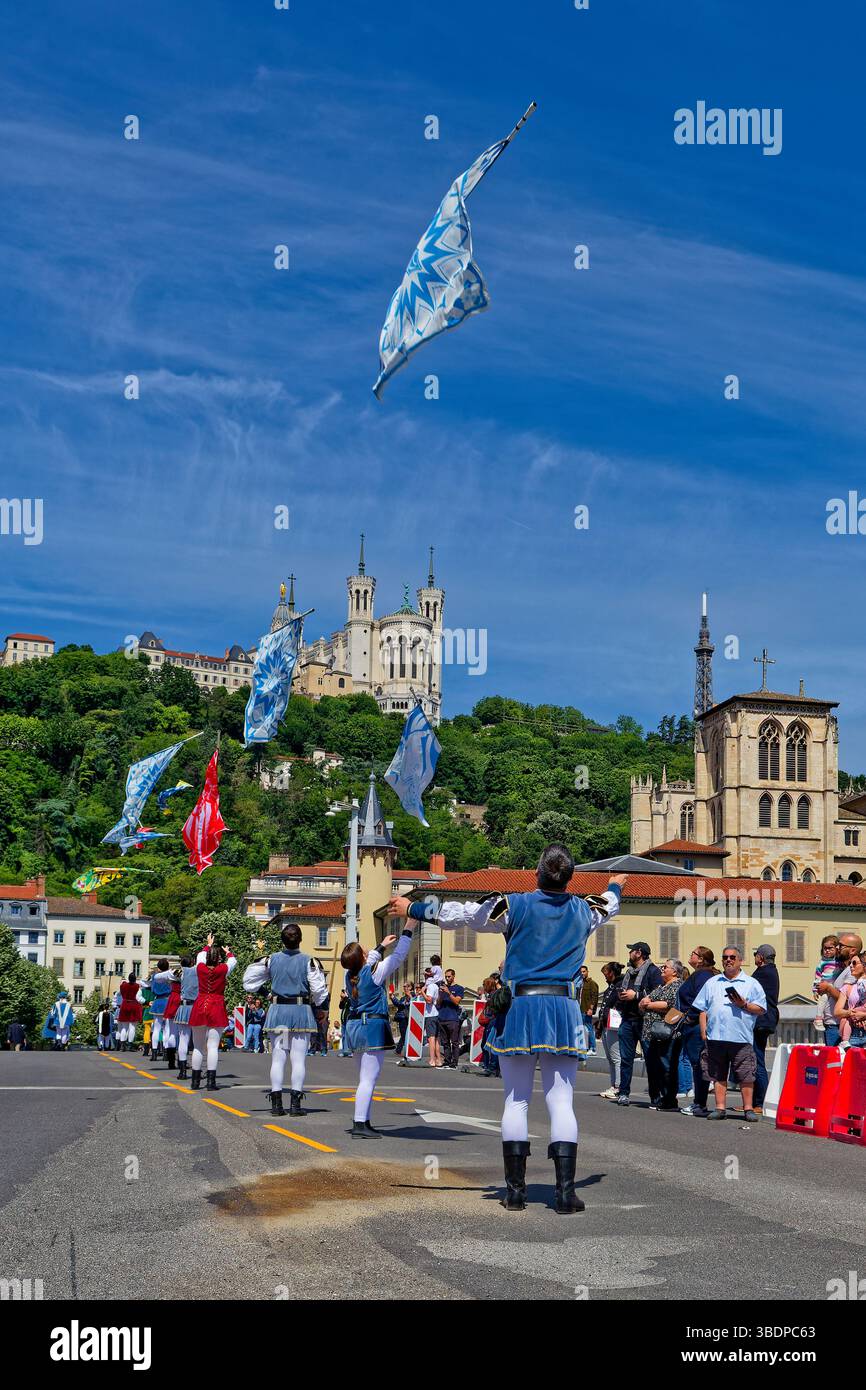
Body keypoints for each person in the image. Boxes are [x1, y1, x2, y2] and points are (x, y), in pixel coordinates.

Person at [389, 844, 625, 1215]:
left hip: (521, 1006)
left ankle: (515, 1192)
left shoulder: (512, 905)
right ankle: (565, 1193)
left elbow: (460, 915)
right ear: (570, 877)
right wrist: (615, 884)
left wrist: (413, 908)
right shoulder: (585, 910)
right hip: (562, 1008)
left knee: (516, 1099)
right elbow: (610, 903)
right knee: (560, 1100)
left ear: (537, 871)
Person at [340, 923, 420, 1136]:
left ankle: (364, 1121)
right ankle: (359, 1124)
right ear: (363, 957)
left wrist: (381, 946)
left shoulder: (350, 976)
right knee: (368, 1079)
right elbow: (399, 956)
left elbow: (372, 959)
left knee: (364, 1078)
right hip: (371, 1026)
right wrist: (408, 930)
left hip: (355, 1025)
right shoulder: (373, 973)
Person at [243, 919, 328, 1117]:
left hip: (278, 1011)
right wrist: (318, 1007)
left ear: (282, 940)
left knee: (278, 1059)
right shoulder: (309, 961)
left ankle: (276, 1104)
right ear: (301, 939)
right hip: (300, 1012)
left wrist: (267, 994)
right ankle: (295, 1105)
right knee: (298, 1060)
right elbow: (319, 991)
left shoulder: (270, 959)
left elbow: (248, 982)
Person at [691, 946, 766, 1121]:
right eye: (725, 957)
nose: (728, 960)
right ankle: (720, 1108)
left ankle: (748, 1108)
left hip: (741, 1037)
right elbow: (702, 1008)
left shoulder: (751, 983)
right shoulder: (713, 982)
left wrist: (744, 1005)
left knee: (746, 1075)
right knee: (717, 1073)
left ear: (740, 960)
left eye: (732, 957)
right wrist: (703, 1031)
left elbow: (762, 1009)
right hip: (716, 1036)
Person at [613, 942, 662, 1107]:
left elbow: (658, 992)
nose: (629, 953)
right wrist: (622, 996)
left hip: (645, 1021)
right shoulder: (629, 972)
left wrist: (636, 995)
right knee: (626, 1059)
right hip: (627, 1019)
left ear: (639, 953)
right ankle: (624, 1093)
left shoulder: (653, 971)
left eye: (631, 951)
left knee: (651, 1059)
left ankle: (656, 1096)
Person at [188, 933, 237, 1091]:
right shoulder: (223, 969)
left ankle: (195, 1082)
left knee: (197, 1047)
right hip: (216, 1005)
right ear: (218, 959)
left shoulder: (200, 968)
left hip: (200, 1004)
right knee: (213, 1046)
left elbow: (200, 956)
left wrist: (208, 945)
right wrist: (228, 951)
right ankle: (211, 1082)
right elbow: (233, 961)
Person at [672, 947, 717, 1116]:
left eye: (693, 953)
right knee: (696, 1063)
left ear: (701, 959)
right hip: (691, 1024)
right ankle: (699, 1102)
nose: (690, 955)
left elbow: (701, 1000)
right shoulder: (699, 974)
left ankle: (700, 1103)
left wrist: (690, 1017)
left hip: (695, 1025)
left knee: (699, 1064)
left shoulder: (703, 975)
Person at [639, 959, 684, 1109]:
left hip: (665, 1033)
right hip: (651, 1033)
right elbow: (647, 998)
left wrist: (649, 1004)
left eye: (665, 967)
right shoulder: (662, 985)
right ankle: (658, 1098)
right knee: (654, 1066)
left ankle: (669, 1099)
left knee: (666, 1066)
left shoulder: (677, 985)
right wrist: (646, 1002)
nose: (662, 969)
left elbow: (670, 1005)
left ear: (675, 972)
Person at [816, 932, 864, 1046]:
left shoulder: (854, 972)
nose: (837, 948)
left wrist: (828, 987)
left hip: (837, 1025)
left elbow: (849, 998)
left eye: (841, 946)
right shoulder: (845, 968)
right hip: (832, 1022)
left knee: (835, 1061)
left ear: (852, 950)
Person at [751, 944, 780, 1111]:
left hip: (761, 1021)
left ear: (761, 957)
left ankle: (760, 1102)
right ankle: (754, 1100)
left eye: (756, 954)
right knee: (755, 1058)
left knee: (757, 1060)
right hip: (766, 1020)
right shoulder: (771, 971)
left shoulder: (764, 972)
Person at [596, 961, 624, 1098]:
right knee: (610, 1058)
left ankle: (618, 1086)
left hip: (614, 1025)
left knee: (616, 1057)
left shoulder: (620, 986)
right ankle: (613, 1085)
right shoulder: (611, 986)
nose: (605, 977)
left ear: (612, 973)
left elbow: (619, 1003)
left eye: (606, 974)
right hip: (606, 1025)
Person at [171, 955, 199, 1080]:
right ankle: (196, 1070)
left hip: (183, 1007)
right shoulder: (198, 970)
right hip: (195, 1007)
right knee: (198, 1042)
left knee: (183, 1040)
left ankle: (182, 1072)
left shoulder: (181, 972)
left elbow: (170, 975)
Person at [834, 951, 866, 1046]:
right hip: (853, 1035)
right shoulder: (847, 988)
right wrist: (851, 1013)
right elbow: (837, 1012)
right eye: (850, 963)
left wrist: (863, 1015)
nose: (851, 966)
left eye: (854, 963)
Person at [437, 969, 465, 1069]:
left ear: (453, 976)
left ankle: (454, 1061)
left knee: (454, 1042)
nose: (447, 978)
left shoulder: (459, 988)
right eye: (446, 977)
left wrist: (449, 993)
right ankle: (447, 1060)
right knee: (445, 1042)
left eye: (449, 976)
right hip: (442, 1018)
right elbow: (438, 1003)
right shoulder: (443, 988)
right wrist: (440, 994)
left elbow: (457, 1002)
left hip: (453, 1018)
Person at [145, 959, 173, 1059]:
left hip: (157, 1002)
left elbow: (152, 990)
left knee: (156, 1029)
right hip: (167, 1001)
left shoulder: (154, 977)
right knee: (167, 1029)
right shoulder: (170, 976)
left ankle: (154, 1053)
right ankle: (166, 1052)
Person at [812, 935, 839, 1037]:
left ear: (836, 949)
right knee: (823, 1000)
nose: (827, 951)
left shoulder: (839, 961)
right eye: (825, 948)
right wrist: (815, 990)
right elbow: (817, 977)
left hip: (835, 987)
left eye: (830, 948)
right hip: (824, 986)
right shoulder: (822, 963)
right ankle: (818, 1018)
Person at [423, 968, 442, 1067]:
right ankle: (438, 1060)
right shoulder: (436, 986)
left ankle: (432, 1060)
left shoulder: (430, 986)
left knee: (431, 1038)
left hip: (430, 1015)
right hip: (437, 1014)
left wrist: (422, 992)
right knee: (436, 1039)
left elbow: (429, 1000)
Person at [579, 966, 599, 1055]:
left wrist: (591, 1009)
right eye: (581, 972)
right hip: (580, 1009)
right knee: (583, 1029)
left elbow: (594, 997)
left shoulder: (592, 983)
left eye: (584, 971)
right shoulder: (580, 983)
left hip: (587, 1010)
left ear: (587, 971)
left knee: (589, 1028)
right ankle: (586, 1047)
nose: (582, 973)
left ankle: (593, 1048)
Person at [392, 983, 412, 1053]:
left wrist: (393, 997)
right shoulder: (403, 998)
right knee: (403, 1034)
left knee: (407, 1035)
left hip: (410, 1017)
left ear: (410, 987)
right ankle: (399, 1050)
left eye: (406, 986)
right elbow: (399, 1004)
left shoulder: (413, 996)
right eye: (403, 986)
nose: (404, 988)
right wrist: (392, 997)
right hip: (403, 1018)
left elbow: (414, 1003)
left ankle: (400, 1050)